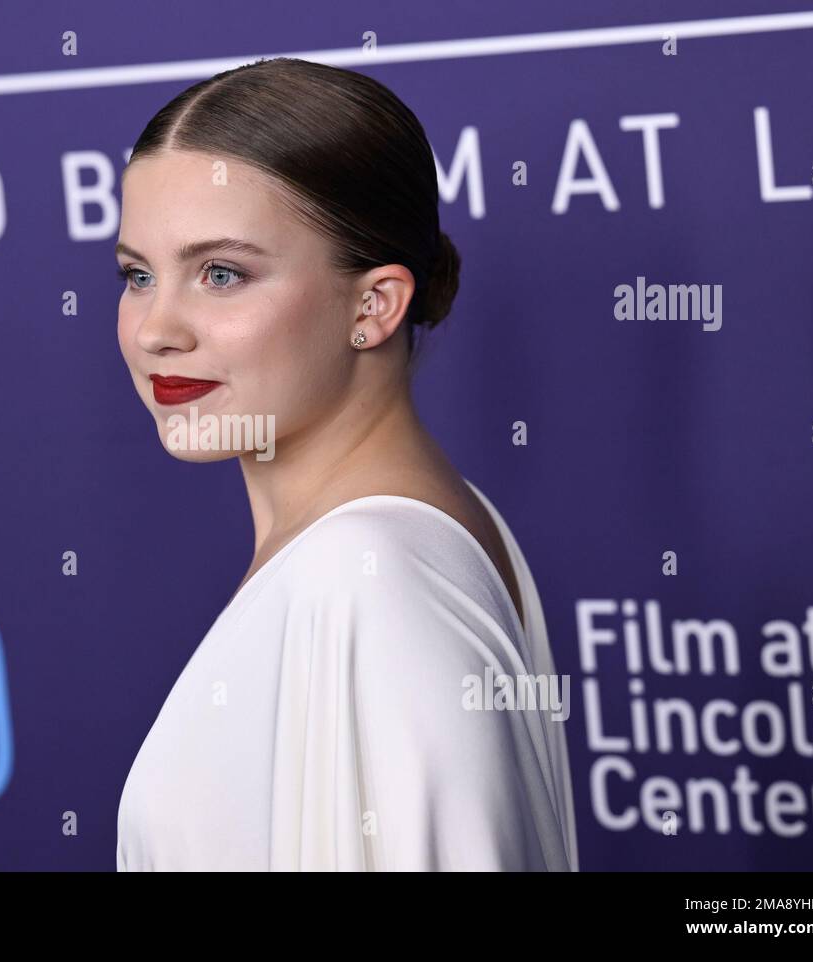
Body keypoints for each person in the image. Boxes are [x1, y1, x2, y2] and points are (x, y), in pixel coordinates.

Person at [113, 57, 578, 871]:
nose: (157, 328)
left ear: (374, 305)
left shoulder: (368, 578)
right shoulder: (401, 541)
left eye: (221, 273)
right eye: (137, 275)